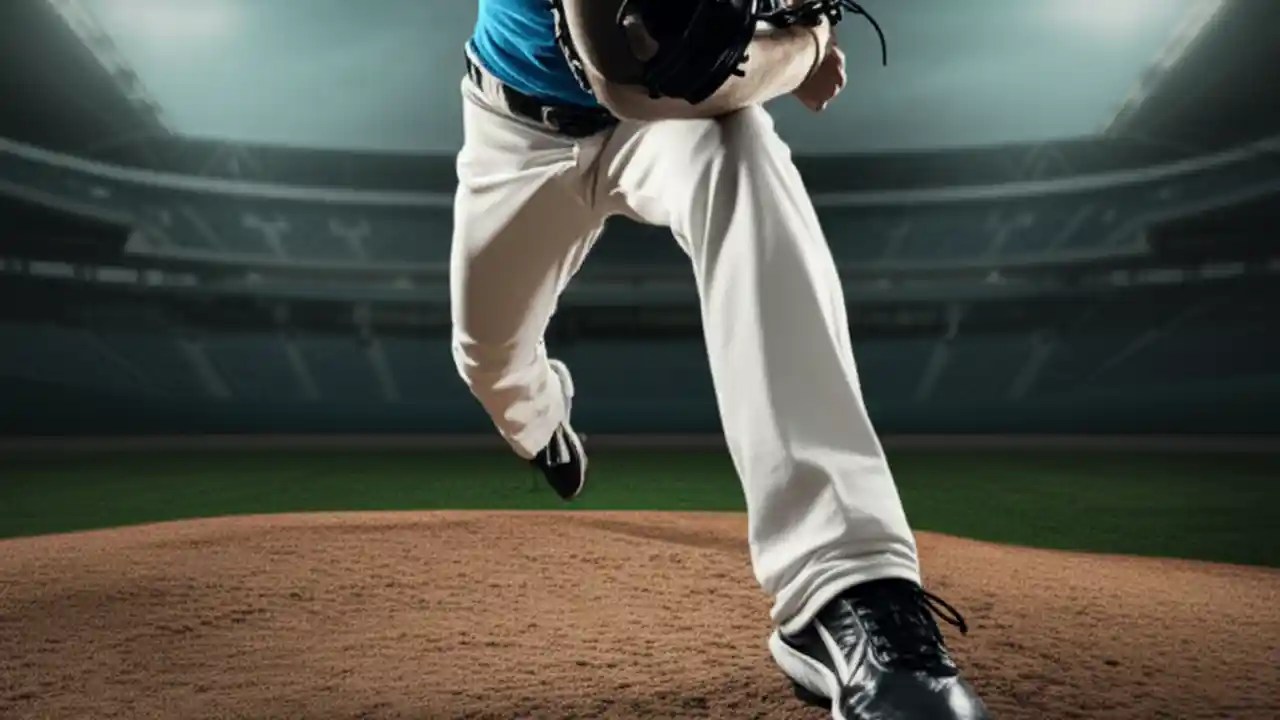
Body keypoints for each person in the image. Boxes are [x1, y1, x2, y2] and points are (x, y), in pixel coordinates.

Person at [450, 1, 991, 717]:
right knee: (486, 355)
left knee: (741, 156)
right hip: (516, 136)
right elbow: (622, 76)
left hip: (668, 130)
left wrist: (791, 37)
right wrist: (802, 49)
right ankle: (540, 420)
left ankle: (842, 586)